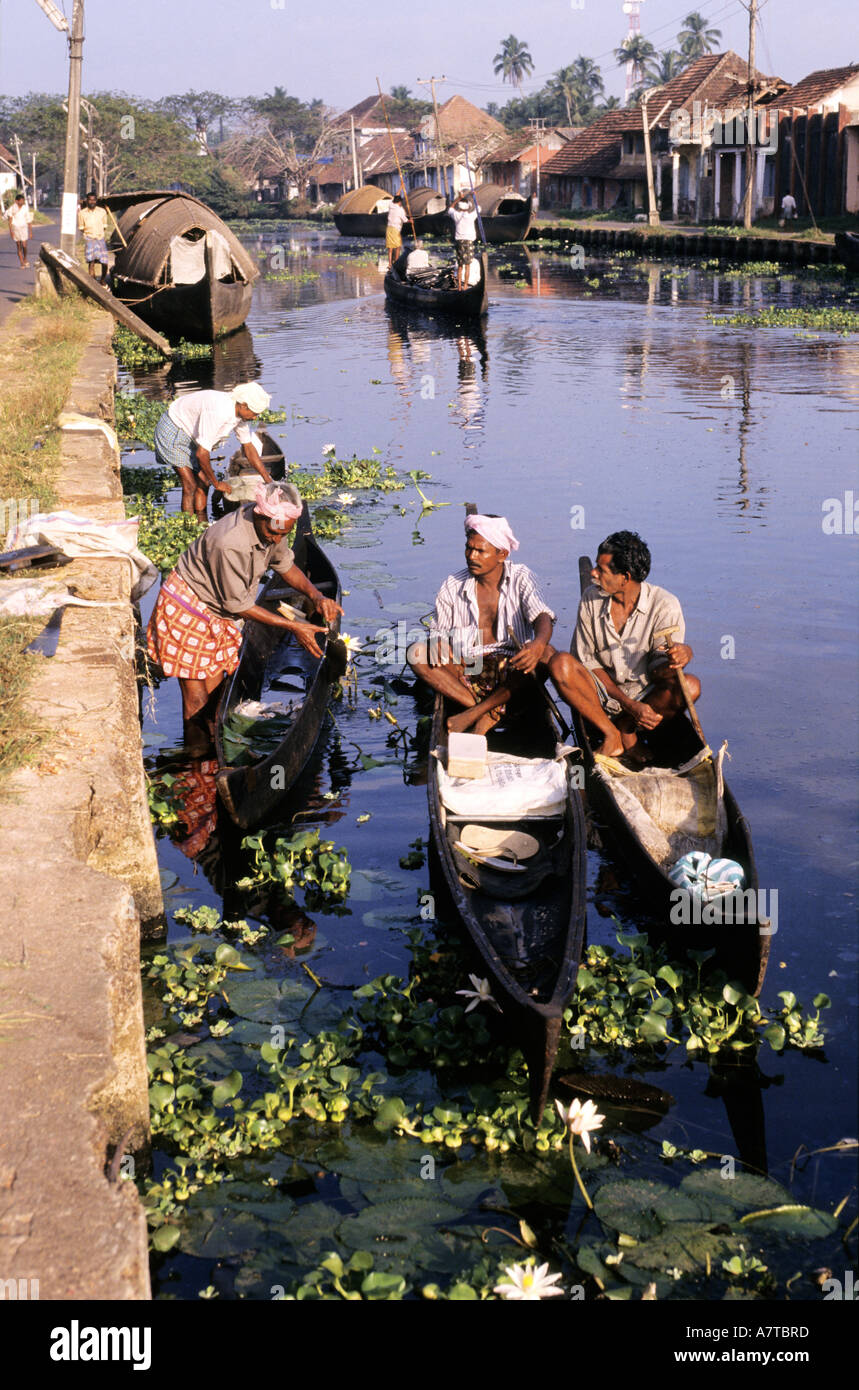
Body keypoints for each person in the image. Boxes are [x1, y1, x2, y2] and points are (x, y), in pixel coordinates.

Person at [146, 480, 343, 734]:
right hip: (188, 607)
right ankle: (197, 763)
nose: (277, 538)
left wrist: (316, 596)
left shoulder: (277, 525)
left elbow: (284, 565)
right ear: (259, 515)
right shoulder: (229, 542)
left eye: (284, 534)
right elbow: (239, 605)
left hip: (219, 610)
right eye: (274, 532)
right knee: (196, 700)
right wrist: (292, 626)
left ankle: (213, 747)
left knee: (217, 695)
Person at [547, 530, 700, 762]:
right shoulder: (591, 598)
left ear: (625, 578)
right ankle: (611, 734)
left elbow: (660, 673)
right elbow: (587, 663)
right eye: (595, 566)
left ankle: (626, 730)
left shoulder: (665, 605)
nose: (593, 573)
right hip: (599, 694)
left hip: (646, 697)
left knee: (690, 685)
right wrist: (627, 704)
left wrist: (681, 655)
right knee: (560, 663)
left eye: (601, 570)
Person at [407, 513, 555, 734]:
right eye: (469, 548)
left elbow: (542, 616)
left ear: (501, 554)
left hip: (513, 669)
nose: (471, 556)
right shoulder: (452, 585)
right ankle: (486, 711)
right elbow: (438, 633)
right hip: (469, 668)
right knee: (417, 652)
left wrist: (538, 643)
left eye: (480, 551)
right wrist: (437, 642)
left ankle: (477, 713)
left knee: (547, 654)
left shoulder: (521, 577)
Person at [154, 382, 273, 519]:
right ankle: (187, 528)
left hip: (190, 435)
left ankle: (202, 522)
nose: (254, 418)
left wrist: (268, 480)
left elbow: (248, 447)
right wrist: (216, 483)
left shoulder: (240, 414)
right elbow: (201, 454)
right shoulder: (219, 412)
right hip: (173, 430)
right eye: (254, 413)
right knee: (190, 486)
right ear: (243, 405)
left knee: (204, 483)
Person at [448, 191, 479, 292]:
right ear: (468, 207)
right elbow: (478, 208)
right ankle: (465, 286)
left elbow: (450, 208)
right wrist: (473, 196)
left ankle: (459, 287)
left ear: (459, 206)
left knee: (460, 266)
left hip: (460, 242)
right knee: (468, 265)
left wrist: (458, 198)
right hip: (469, 242)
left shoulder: (456, 215)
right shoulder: (471, 216)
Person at [78, 192, 109, 282]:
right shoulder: (82, 213)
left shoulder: (102, 212)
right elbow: (81, 227)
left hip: (100, 238)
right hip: (89, 238)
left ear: (96, 201)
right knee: (91, 261)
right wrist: (89, 234)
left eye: (93, 200)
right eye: (90, 200)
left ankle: (102, 280)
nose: (92, 202)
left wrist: (98, 234)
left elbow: (104, 226)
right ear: (87, 201)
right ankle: (93, 281)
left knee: (104, 262)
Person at [5, 192, 33, 269]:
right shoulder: (12, 208)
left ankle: (25, 258)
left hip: (24, 228)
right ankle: (22, 263)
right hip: (15, 228)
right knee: (18, 246)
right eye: (21, 200)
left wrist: (30, 232)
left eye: (23, 201)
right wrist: (11, 231)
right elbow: (10, 221)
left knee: (24, 245)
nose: (22, 202)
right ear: (16, 201)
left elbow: (29, 220)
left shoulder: (25, 208)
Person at [386, 194, 408, 268]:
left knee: (390, 248)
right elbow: (405, 220)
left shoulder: (390, 206)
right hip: (395, 229)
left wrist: (400, 188)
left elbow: (395, 198)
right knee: (398, 246)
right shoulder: (399, 209)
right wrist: (410, 221)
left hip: (389, 228)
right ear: (399, 202)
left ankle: (390, 264)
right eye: (400, 202)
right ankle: (396, 262)